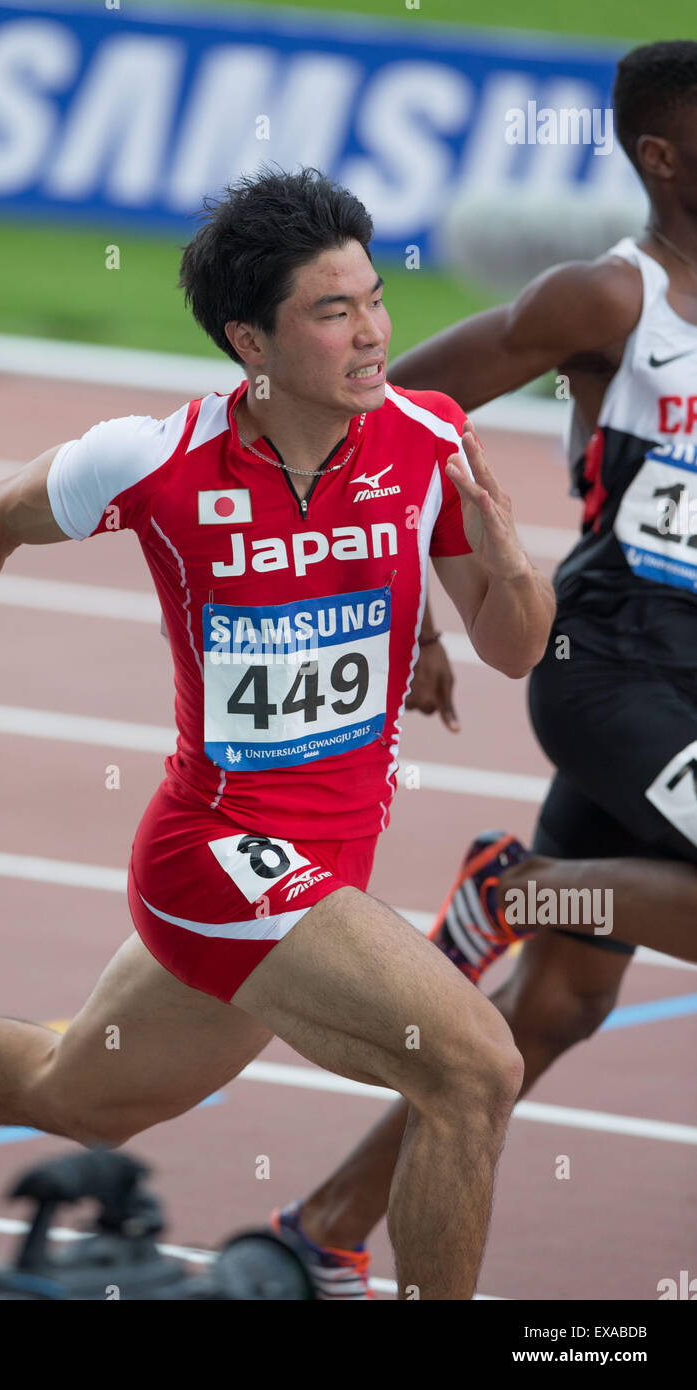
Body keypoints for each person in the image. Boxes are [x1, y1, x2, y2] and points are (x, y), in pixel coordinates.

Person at [0, 167, 555, 1301]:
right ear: (250, 341)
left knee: (74, 1088)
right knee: (471, 1070)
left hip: (330, 861)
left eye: (372, 298)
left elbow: (514, 648)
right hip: (213, 853)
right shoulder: (157, 459)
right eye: (333, 311)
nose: (372, 333)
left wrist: (508, 563)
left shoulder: (428, 439)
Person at [273, 39, 697, 1298]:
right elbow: (393, 408)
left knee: (554, 1009)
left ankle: (325, 1223)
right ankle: (518, 886)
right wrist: (406, 606)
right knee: (556, 933)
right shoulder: (608, 302)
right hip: (613, 667)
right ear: (662, 158)